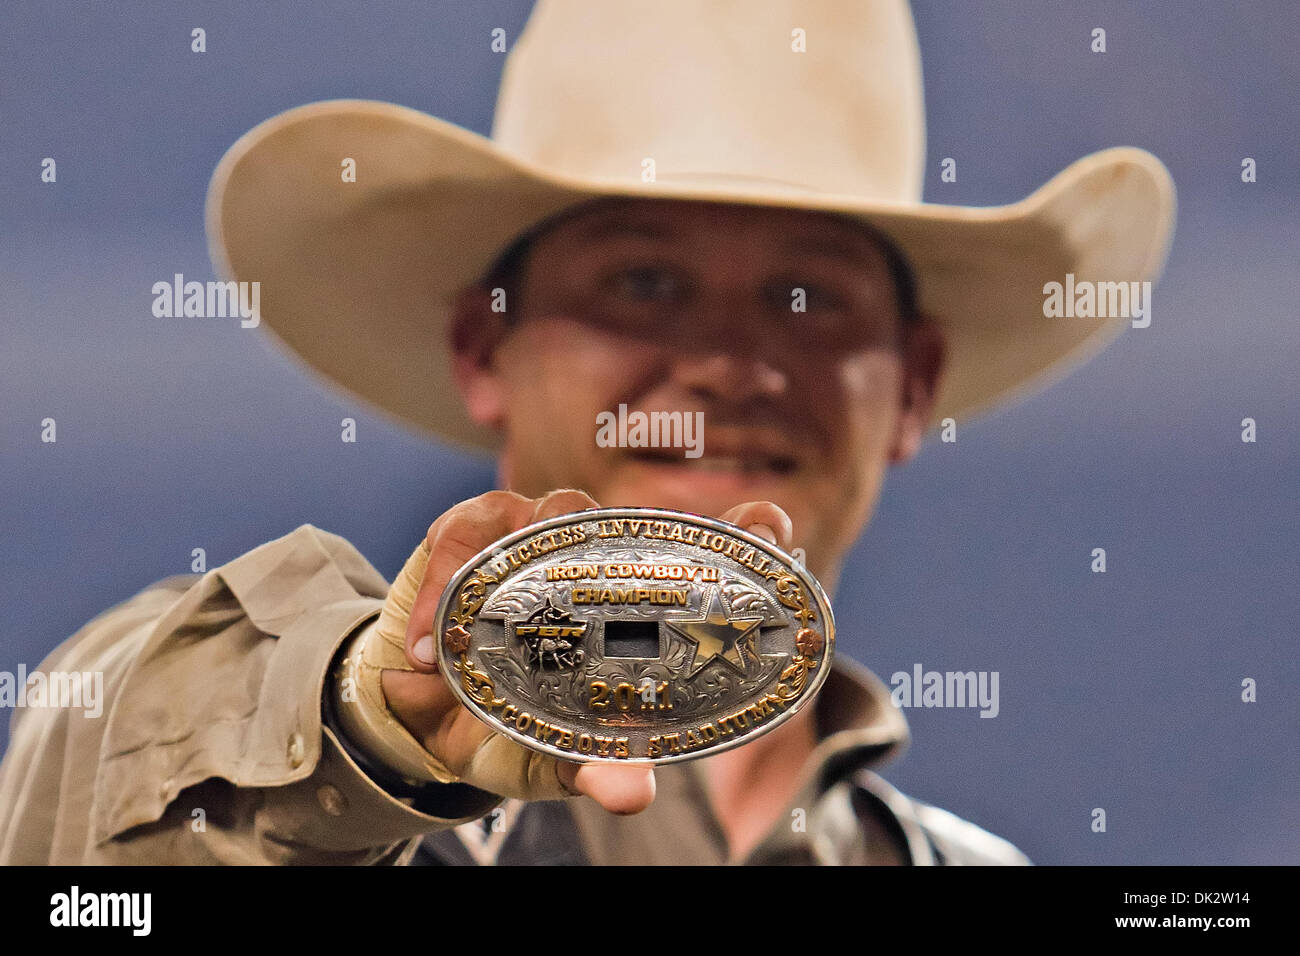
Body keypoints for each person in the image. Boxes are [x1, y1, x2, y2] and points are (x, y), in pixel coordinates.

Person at [0, 0, 1174, 866]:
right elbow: (99, 791)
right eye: (644, 282)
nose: (726, 364)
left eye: (806, 297)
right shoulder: (353, 795)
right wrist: (374, 725)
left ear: (912, 385)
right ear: (482, 346)